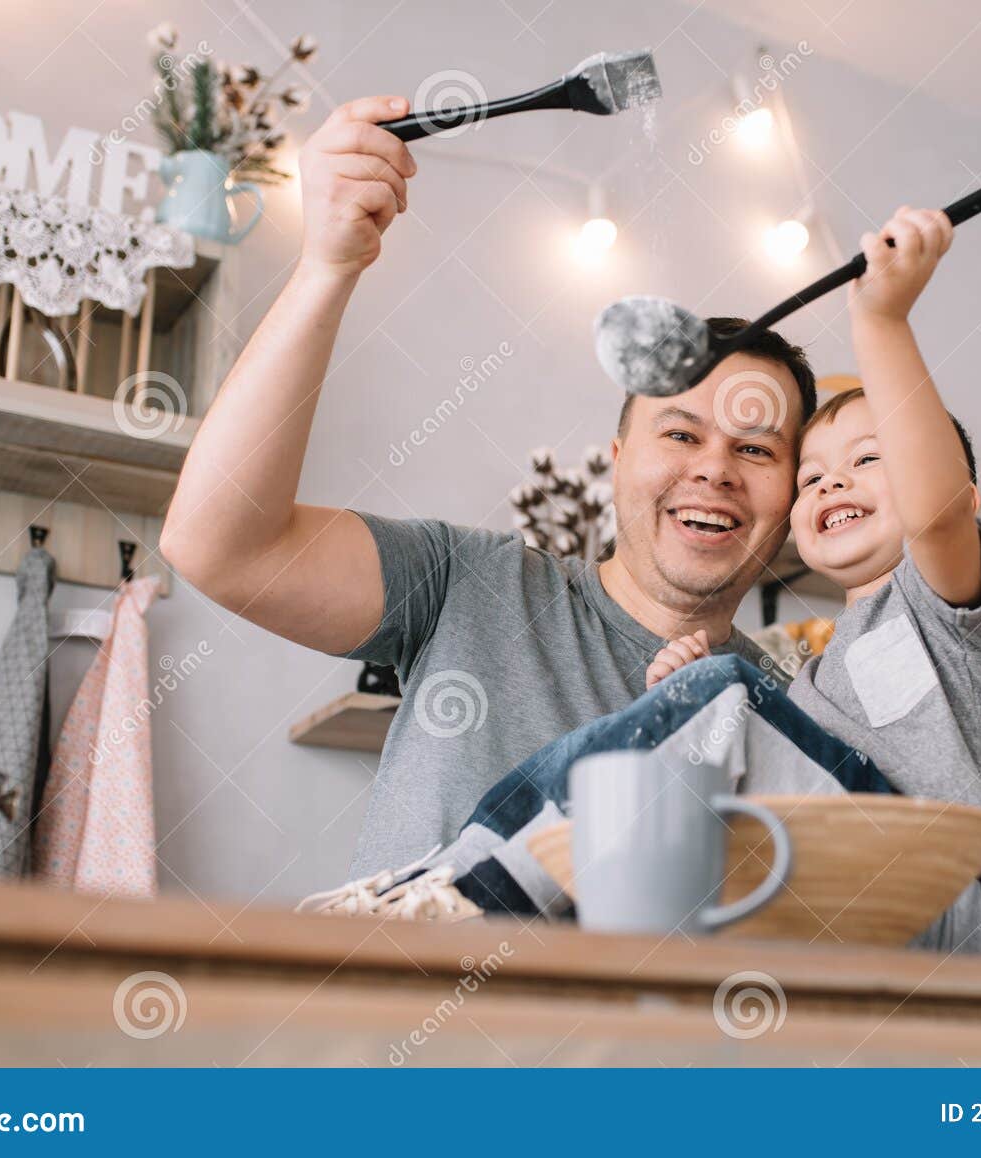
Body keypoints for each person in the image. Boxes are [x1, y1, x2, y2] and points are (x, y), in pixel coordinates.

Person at [159, 95, 817, 881]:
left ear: (796, 491)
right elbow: (217, 544)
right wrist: (325, 267)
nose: (714, 469)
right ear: (618, 456)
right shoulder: (470, 586)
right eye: (679, 433)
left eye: (754, 447)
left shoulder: (791, 714)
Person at [649, 207, 981, 956]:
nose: (834, 485)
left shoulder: (944, 610)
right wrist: (705, 701)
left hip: (965, 914)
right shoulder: (814, 680)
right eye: (812, 477)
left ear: (966, 502)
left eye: (868, 460)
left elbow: (931, 516)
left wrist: (884, 322)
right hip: (852, 923)